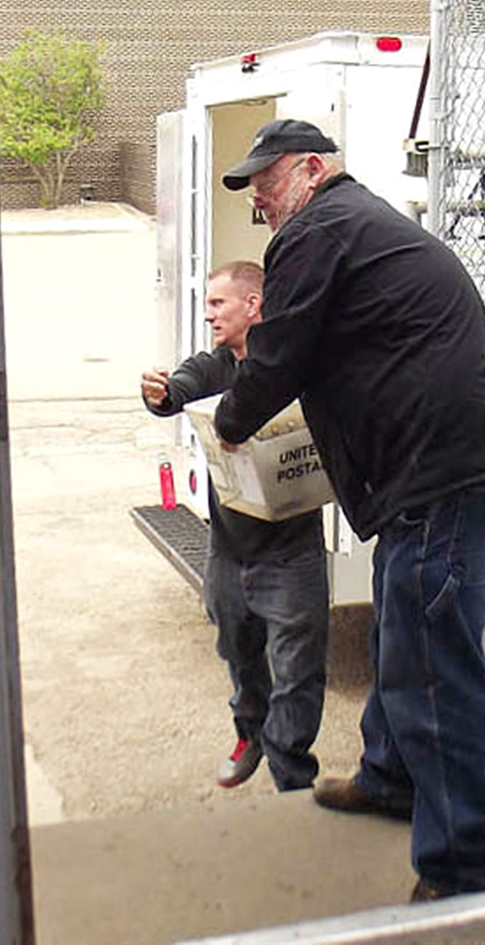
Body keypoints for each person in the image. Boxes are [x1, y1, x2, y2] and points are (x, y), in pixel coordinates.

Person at [214, 120, 485, 901]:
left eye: (268, 176)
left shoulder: (319, 228)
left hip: (441, 473)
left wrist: (226, 423)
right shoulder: (359, 226)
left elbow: (281, 353)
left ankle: (462, 871)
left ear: (313, 170)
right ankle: (391, 776)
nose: (257, 193)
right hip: (438, 469)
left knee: (434, 668)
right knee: (401, 629)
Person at [141, 260, 329, 793]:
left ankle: (291, 773)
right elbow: (179, 388)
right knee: (240, 656)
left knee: (298, 673)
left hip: (292, 551)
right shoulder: (215, 366)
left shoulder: (293, 365)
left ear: (253, 305)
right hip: (228, 550)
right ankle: (251, 734)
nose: (208, 315)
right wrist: (159, 394)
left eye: (217, 304)